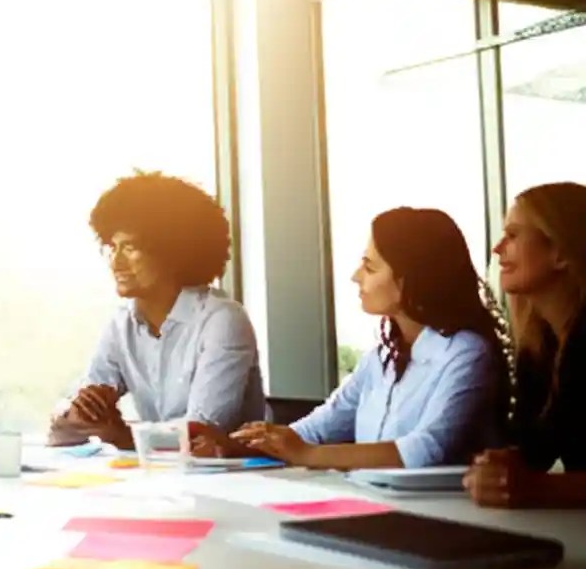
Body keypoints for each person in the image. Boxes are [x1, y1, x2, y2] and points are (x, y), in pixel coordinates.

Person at [190, 207, 507, 470]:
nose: (356, 276)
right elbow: (315, 430)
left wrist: (307, 455)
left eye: (369, 267)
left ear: (411, 278)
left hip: (442, 517)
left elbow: (427, 449)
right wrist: (238, 444)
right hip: (378, 504)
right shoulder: (381, 357)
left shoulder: (466, 353)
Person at [48, 171, 264, 449]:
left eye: (130, 247)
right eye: (112, 247)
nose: (116, 262)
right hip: (161, 472)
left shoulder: (222, 320)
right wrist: (77, 413)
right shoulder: (121, 324)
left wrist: (120, 434)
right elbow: (69, 421)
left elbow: (203, 431)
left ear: (173, 251)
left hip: (234, 472)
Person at [466, 183, 586, 508]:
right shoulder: (540, 348)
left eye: (513, 235)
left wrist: (538, 488)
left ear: (560, 252)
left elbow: (533, 477)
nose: (497, 248)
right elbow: (533, 453)